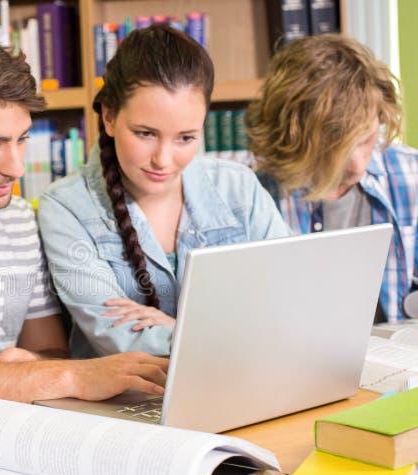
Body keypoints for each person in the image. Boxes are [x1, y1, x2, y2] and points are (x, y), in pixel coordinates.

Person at [0, 27, 169, 410]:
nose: (16, 167)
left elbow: (49, 350)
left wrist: (33, 365)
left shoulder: (19, 220)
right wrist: (51, 376)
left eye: (22, 139)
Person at [38, 24, 290, 359]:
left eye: (185, 138)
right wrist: (222, 331)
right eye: (145, 133)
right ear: (110, 117)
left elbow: (287, 310)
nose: (163, 160)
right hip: (121, 405)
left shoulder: (240, 188)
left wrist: (175, 326)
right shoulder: (64, 206)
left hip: (240, 386)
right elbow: (119, 338)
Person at [246, 34, 418, 323]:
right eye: (335, 152)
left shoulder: (412, 175)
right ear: (297, 143)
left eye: (366, 140)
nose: (357, 166)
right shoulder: (255, 195)